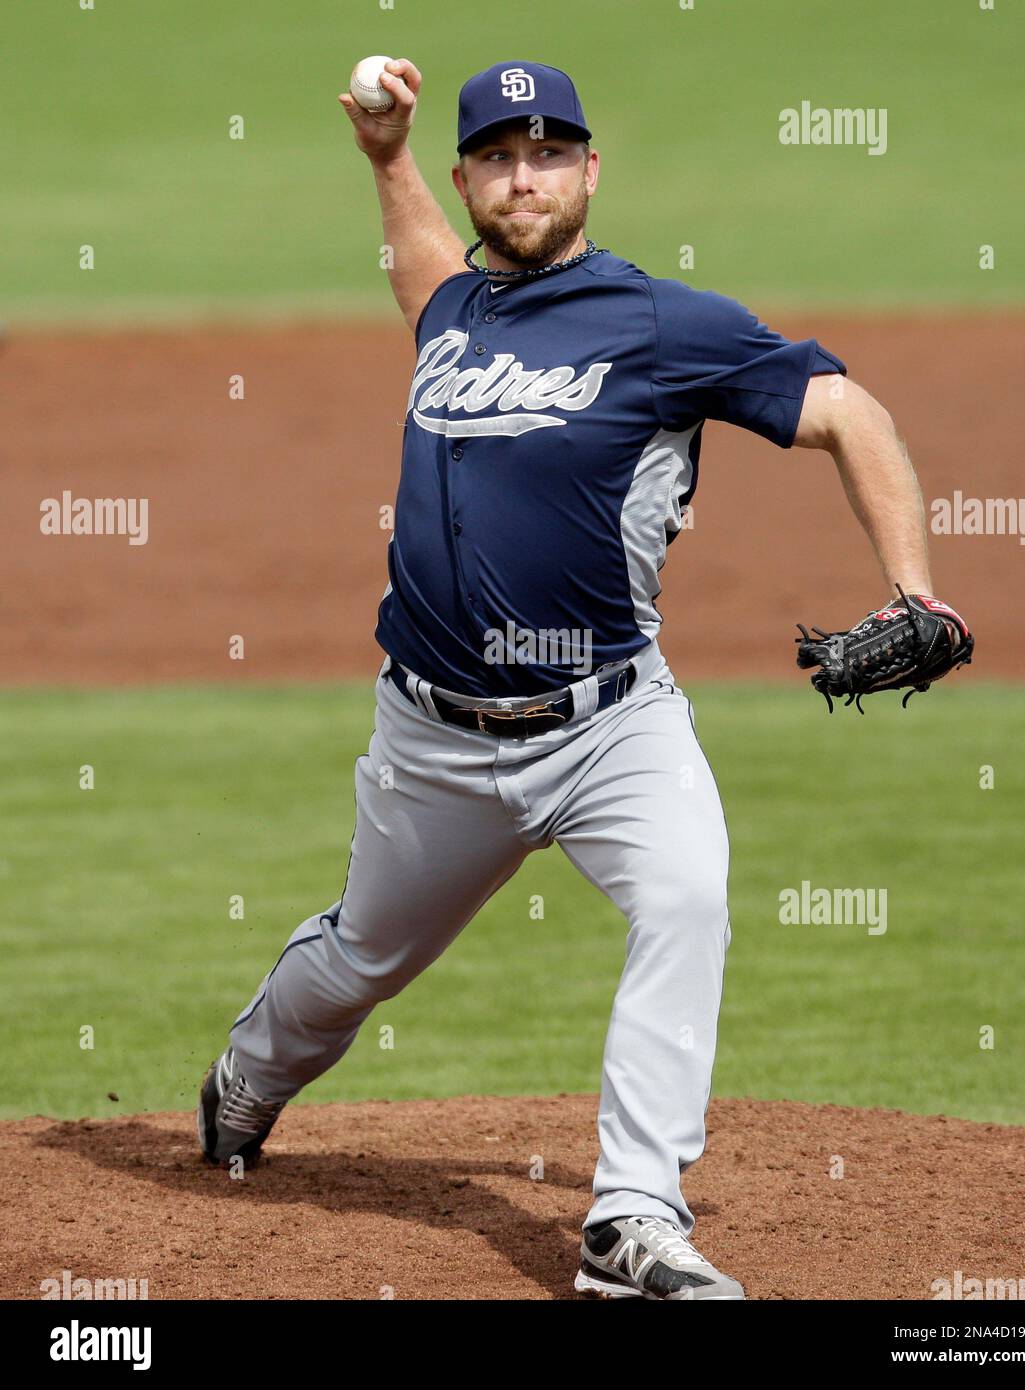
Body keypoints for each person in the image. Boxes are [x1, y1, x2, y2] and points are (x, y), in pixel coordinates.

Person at [197, 59, 961, 1301]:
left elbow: (846, 413)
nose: (525, 177)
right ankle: (251, 1074)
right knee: (360, 958)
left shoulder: (660, 322)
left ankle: (630, 1216)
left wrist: (915, 590)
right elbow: (421, 272)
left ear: (590, 170)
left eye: (548, 153)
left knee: (686, 897)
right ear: (466, 180)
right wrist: (385, 160)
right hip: (432, 739)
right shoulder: (454, 311)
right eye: (497, 157)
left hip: (611, 725)